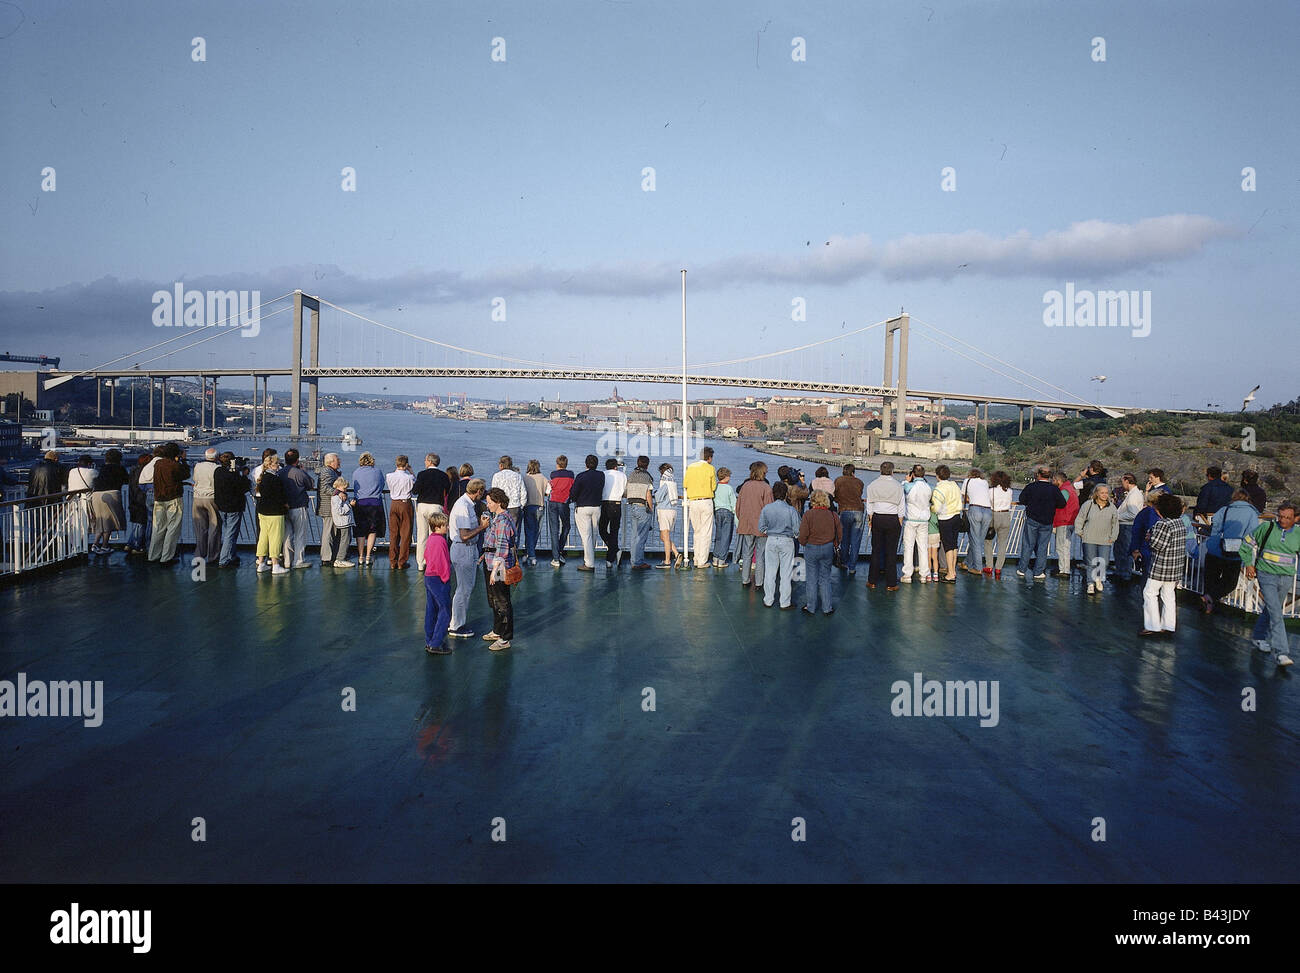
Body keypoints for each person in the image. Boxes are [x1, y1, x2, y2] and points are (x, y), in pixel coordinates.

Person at [1242, 501, 1299, 667]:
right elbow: (1246, 544)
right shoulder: (1266, 528)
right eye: (1280, 516)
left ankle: (1258, 637)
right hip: (1266, 575)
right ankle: (1281, 652)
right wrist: (1249, 564)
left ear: (1295, 518)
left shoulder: (1299, 534)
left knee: (1272, 609)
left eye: (1287, 518)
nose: (1283, 520)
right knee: (1276, 612)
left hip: (1286, 577)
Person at [1202, 490, 1260, 613]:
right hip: (1234, 553)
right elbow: (1252, 534)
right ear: (1247, 499)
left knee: (1210, 580)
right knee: (1229, 582)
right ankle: (1210, 598)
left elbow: (1215, 527)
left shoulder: (1224, 510)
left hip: (1215, 549)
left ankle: (1207, 605)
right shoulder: (1251, 513)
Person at [1140, 493, 1189, 637]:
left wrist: (1149, 539)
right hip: (1175, 566)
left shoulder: (1163, 524)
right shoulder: (1179, 522)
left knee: (1149, 593)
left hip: (1161, 566)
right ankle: (1168, 625)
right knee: (1169, 595)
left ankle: (1152, 626)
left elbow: (1158, 545)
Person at [447, 478, 489, 639]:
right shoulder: (463, 507)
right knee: (463, 589)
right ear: (478, 492)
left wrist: (478, 524)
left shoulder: (466, 504)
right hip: (464, 550)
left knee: (465, 588)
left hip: (466, 549)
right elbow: (464, 535)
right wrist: (482, 527)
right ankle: (456, 625)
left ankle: (457, 622)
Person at [480, 487, 518, 651]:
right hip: (490, 562)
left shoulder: (502, 522)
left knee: (502, 601)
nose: (487, 505)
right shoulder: (499, 518)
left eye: (489, 502)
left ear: (498, 503)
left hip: (498, 566)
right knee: (494, 599)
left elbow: (502, 548)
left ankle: (505, 638)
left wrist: (495, 571)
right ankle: (497, 631)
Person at [1017, 467, 1065, 581]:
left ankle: (1022, 569)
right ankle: (1038, 572)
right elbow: (1062, 504)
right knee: (1042, 547)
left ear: (1038, 475)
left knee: (1028, 545)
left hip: (1032, 519)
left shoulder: (1031, 487)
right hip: (1047, 521)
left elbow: (1022, 499)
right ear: (1049, 476)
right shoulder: (1054, 489)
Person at [758, 481, 800, 609]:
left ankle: (768, 600)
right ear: (786, 494)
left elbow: (761, 527)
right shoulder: (791, 510)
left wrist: (769, 532)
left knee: (770, 571)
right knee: (785, 573)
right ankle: (784, 602)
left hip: (771, 540)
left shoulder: (766, 508)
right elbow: (797, 529)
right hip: (786, 541)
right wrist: (794, 536)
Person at [799, 489, 842, 614]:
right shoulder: (833, 515)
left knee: (812, 578)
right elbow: (839, 533)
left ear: (812, 501)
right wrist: (835, 544)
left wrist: (804, 543)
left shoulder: (808, 515)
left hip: (811, 548)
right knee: (825, 578)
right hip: (828, 548)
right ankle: (827, 607)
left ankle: (811, 607)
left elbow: (803, 534)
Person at [147, 443, 190, 565]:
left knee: (158, 528)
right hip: (173, 498)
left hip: (159, 498)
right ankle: (166, 557)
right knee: (172, 528)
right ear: (176, 453)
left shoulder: (158, 464)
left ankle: (153, 555)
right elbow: (186, 474)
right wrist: (183, 460)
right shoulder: (174, 466)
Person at [1075, 484, 1120, 594]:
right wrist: (1079, 531)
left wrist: (1113, 537)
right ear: (1097, 493)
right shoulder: (1088, 505)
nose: (1105, 495)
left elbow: (1115, 523)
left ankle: (1098, 579)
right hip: (1089, 537)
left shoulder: (1112, 507)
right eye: (1102, 493)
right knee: (1091, 562)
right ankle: (1090, 583)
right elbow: (1080, 518)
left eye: (1106, 493)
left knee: (1104, 562)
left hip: (1105, 539)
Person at [865, 461, 903, 590]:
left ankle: (872, 581)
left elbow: (869, 505)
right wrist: (900, 522)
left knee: (876, 550)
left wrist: (871, 518)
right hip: (893, 519)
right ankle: (891, 583)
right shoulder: (898, 486)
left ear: (880, 470)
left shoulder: (872, 485)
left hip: (877, 518)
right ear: (892, 471)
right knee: (891, 552)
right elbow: (901, 507)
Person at [735, 462, 772, 587]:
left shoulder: (745, 486)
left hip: (746, 524)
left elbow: (738, 506)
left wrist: (742, 519)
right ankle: (759, 582)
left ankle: (745, 580)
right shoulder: (766, 488)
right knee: (760, 555)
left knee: (747, 553)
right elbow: (769, 509)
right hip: (761, 526)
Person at [414, 453, 452, 571]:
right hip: (436, 506)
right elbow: (448, 489)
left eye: (425, 460)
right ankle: (433, 561)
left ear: (430, 462)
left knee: (421, 535)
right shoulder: (443, 475)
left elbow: (415, 490)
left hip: (422, 506)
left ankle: (421, 563)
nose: (425, 462)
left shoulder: (421, 474)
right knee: (435, 535)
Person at [423, 511, 453, 655]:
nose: (447, 528)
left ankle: (430, 640)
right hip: (438, 579)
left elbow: (427, 556)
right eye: (445, 525)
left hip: (429, 576)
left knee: (431, 610)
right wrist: (446, 578)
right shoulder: (441, 541)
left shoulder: (430, 539)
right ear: (438, 526)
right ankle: (436, 643)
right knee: (445, 610)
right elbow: (442, 562)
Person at [254, 454, 290, 575]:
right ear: (270, 465)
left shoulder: (263, 477)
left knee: (263, 537)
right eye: (276, 464)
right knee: (275, 537)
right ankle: (275, 565)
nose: (278, 466)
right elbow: (279, 495)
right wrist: (285, 505)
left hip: (262, 510)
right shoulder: (275, 479)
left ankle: (261, 563)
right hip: (275, 512)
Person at [279, 448, 315, 569]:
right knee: (300, 535)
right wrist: (304, 471)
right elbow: (311, 484)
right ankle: (298, 561)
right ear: (297, 460)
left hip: (284, 507)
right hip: (299, 506)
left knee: (287, 535)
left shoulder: (280, 472)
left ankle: (287, 561)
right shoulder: (299, 472)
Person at [213, 451, 250, 568]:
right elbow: (243, 487)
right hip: (234, 507)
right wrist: (244, 475)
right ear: (232, 462)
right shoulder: (233, 475)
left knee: (230, 532)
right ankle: (223, 560)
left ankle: (231, 555)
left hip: (221, 506)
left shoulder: (217, 471)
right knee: (230, 533)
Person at [683, 446, 718, 569]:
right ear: (709, 458)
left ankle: (696, 558)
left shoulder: (691, 467)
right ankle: (702, 561)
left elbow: (685, 484)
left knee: (696, 531)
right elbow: (713, 487)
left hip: (693, 501)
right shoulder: (710, 468)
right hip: (706, 501)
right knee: (706, 533)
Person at [89, 448, 129, 554]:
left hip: (96, 495)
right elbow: (127, 480)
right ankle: (105, 546)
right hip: (111, 494)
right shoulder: (120, 468)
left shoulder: (102, 468)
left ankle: (95, 544)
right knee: (110, 522)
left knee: (101, 521)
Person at [350, 452, 385, 566]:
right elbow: (382, 484)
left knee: (360, 531)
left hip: (360, 503)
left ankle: (360, 556)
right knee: (372, 530)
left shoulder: (356, 472)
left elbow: (355, 486)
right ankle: (368, 556)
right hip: (375, 503)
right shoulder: (378, 471)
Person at [571, 454, 605, 572]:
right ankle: (591, 559)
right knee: (594, 535)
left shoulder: (581, 476)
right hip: (596, 507)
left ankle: (589, 563)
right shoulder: (601, 475)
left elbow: (573, 493)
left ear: (586, 464)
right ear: (596, 464)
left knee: (586, 536)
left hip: (583, 508)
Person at [930, 465, 962, 583]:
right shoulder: (954, 485)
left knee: (948, 546)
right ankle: (953, 570)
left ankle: (950, 574)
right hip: (956, 516)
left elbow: (937, 508)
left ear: (937, 475)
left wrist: (932, 508)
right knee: (954, 545)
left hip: (945, 518)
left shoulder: (939, 489)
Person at [187, 447, 220, 563]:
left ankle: (199, 554)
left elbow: (195, 479)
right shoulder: (218, 468)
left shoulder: (197, 466)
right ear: (216, 457)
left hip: (197, 497)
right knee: (214, 527)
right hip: (211, 497)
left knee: (200, 528)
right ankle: (213, 555)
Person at [900, 466, 932, 584]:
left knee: (908, 547)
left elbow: (901, 489)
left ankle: (907, 574)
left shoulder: (908, 486)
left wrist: (906, 480)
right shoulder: (929, 487)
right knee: (923, 548)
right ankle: (924, 575)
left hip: (911, 520)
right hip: (924, 520)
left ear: (913, 474)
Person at [624, 455, 656, 570]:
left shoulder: (631, 475)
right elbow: (648, 494)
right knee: (641, 537)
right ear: (647, 465)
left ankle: (634, 561)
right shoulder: (647, 477)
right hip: (643, 507)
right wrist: (651, 510)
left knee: (634, 536)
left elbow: (626, 492)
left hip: (632, 506)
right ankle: (638, 562)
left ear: (638, 463)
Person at [960, 468, 993, 577]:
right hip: (988, 511)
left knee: (974, 539)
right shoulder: (984, 482)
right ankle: (966, 563)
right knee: (979, 540)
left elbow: (964, 497)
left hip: (975, 509)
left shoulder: (967, 481)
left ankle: (977, 568)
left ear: (970, 474)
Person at [385, 454, 416, 570]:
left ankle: (392, 560)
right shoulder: (409, 477)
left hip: (394, 504)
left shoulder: (389, 476)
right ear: (406, 464)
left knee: (394, 534)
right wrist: (411, 471)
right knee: (406, 534)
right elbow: (415, 484)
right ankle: (402, 561)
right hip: (405, 504)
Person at [833, 463, 865, 574]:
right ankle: (852, 567)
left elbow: (835, 496)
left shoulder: (838, 481)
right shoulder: (859, 482)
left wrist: (840, 501)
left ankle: (844, 563)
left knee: (844, 539)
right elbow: (859, 494)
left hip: (844, 511)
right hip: (858, 511)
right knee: (855, 541)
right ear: (853, 472)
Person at [1114, 473, 1144, 584]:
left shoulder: (1134, 495)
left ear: (1127, 481)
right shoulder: (1133, 494)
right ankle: (1121, 573)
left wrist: (1116, 516)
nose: (1122, 485)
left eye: (1122, 482)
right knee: (1121, 550)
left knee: (1125, 551)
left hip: (1127, 526)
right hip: (1125, 525)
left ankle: (1125, 575)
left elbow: (1133, 514)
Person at [598, 457, 627, 568]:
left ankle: (612, 555)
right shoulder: (622, 476)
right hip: (617, 504)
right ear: (616, 466)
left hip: (605, 503)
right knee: (614, 531)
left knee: (602, 529)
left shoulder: (603, 474)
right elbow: (625, 491)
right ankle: (613, 553)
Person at [547, 455, 575, 567]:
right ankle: (559, 551)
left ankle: (556, 558)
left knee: (554, 529)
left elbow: (550, 488)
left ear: (557, 464)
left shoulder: (553, 474)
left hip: (553, 502)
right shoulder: (571, 475)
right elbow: (573, 488)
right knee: (567, 526)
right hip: (564, 503)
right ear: (566, 464)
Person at [1051, 472, 1080, 578]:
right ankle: (1064, 569)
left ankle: (1064, 570)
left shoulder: (1064, 490)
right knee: (1065, 546)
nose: (1052, 482)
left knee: (1061, 547)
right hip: (1070, 521)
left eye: (1053, 480)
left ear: (1058, 480)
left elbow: (1059, 504)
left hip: (1064, 521)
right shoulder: (1070, 488)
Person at [1129, 491, 1163, 580]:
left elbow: (1136, 532)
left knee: (1147, 579)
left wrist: (1135, 550)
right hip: (1151, 551)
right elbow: (1137, 531)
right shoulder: (1150, 513)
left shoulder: (1145, 513)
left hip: (1148, 550)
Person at [986, 470, 1014, 580]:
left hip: (994, 515)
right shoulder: (1010, 491)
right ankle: (999, 568)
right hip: (1006, 515)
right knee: (1002, 543)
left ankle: (989, 566)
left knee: (988, 540)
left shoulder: (991, 491)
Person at [316, 452, 342, 565]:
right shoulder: (327, 472)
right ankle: (326, 557)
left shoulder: (329, 471)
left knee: (332, 532)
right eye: (337, 460)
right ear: (331, 462)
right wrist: (338, 492)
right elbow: (325, 487)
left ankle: (330, 555)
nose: (339, 462)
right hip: (328, 507)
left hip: (329, 507)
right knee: (329, 533)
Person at [655, 463, 682, 569]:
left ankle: (667, 561)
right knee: (663, 536)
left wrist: (655, 492)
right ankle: (676, 554)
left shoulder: (665, 483)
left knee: (665, 537)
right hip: (673, 510)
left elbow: (658, 497)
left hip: (664, 510)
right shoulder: (673, 482)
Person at [522, 459, 548, 567]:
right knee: (536, 531)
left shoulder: (524, 478)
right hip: (540, 507)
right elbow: (548, 492)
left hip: (528, 506)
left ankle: (529, 554)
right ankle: (531, 554)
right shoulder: (543, 478)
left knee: (529, 531)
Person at [327, 477, 356, 568]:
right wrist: (350, 505)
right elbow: (339, 511)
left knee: (344, 539)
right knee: (345, 540)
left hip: (343, 522)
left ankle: (339, 557)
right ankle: (340, 559)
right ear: (339, 486)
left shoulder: (339, 496)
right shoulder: (336, 497)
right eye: (344, 488)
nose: (346, 490)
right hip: (343, 522)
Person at [125, 453, 151, 555]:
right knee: (142, 523)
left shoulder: (133, 470)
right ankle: (136, 546)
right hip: (141, 499)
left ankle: (130, 543)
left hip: (134, 499)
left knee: (139, 523)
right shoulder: (144, 471)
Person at [711, 467, 736, 568]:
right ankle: (722, 560)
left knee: (718, 535)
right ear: (726, 477)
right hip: (727, 512)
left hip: (717, 512)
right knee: (726, 536)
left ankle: (715, 557)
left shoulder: (715, 487)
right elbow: (733, 503)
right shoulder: (729, 488)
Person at [491, 455, 527, 524]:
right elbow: (523, 493)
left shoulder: (496, 476)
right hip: (514, 506)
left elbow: (493, 493)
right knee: (514, 531)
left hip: (500, 506)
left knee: (501, 530)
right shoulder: (517, 476)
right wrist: (522, 505)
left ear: (501, 465)